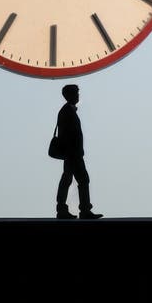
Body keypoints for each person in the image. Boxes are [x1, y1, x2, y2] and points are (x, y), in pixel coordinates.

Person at [55, 84, 103, 220]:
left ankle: (63, 209)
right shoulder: (67, 112)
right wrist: (74, 152)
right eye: (76, 93)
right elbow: (68, 135)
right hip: (73, 154)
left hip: (72, 153)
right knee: (82, 179)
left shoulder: (67, 111)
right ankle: (84, 210)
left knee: (67, 179)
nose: (78, 96)